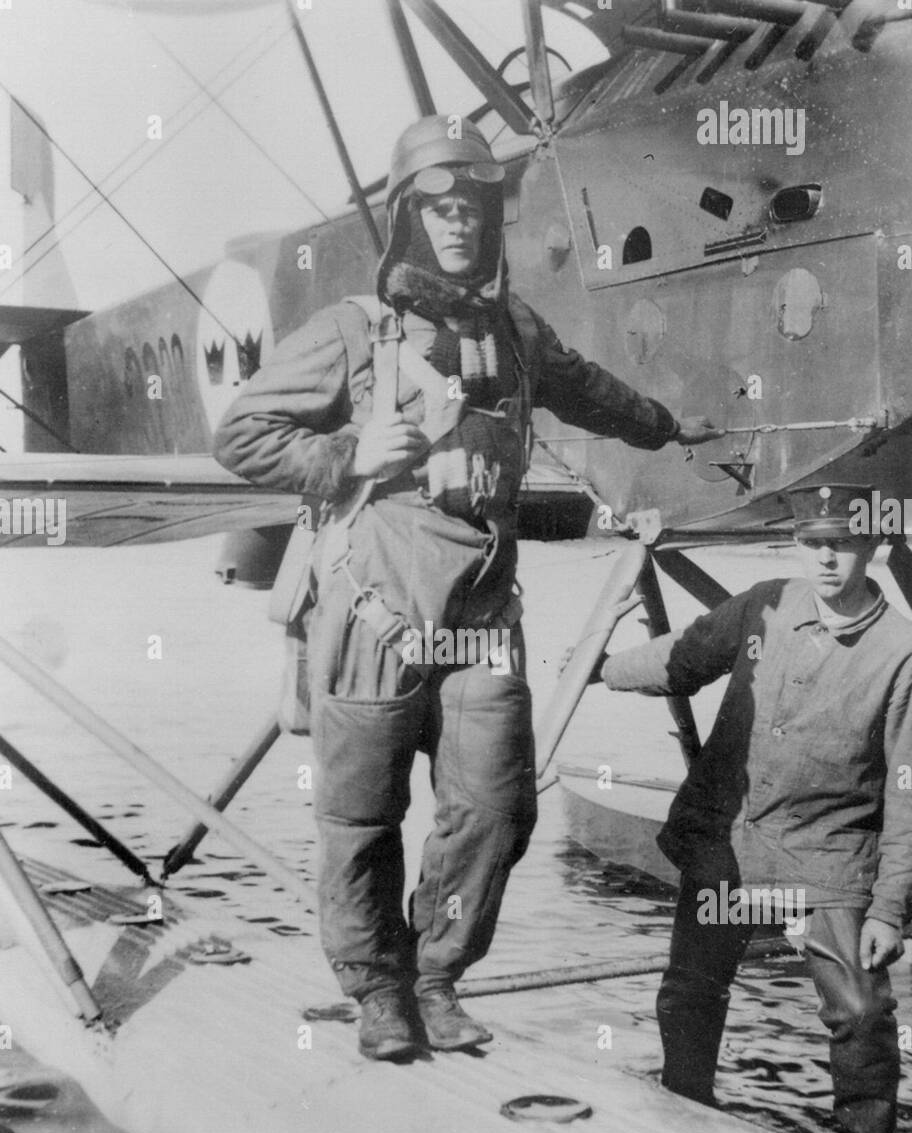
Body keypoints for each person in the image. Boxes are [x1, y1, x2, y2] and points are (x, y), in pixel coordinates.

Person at [214, 115, 721, 1062]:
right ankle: (377, 990)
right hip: (374, 613)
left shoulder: (517, 332)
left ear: (492, 220)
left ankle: (437, 976)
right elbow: (241, 434)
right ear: (411, 217)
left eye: (473, 208)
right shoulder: (352, 334)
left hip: (484, 620)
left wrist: (665, 426)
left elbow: (587, 391)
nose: (457, 224)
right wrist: (341, 450)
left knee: (493, 810)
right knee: (361, 820)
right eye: (439, 208)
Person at [597, 483, 912, 1133]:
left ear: (872, 546)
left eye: (842, 545)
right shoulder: (764, 603)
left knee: (860, 1011)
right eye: (812, 543)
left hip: (827, 857)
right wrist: (600, 669)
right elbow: (682, 659)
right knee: (690, 989)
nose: (826, 560)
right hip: (729, 845)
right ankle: (684, 1113)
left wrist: (888, 908)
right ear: (797, 545)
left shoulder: (901, 653)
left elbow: (909, 794)